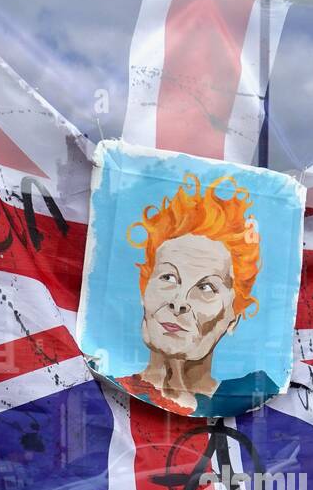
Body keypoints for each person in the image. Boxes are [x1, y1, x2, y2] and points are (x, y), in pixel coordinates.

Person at [116, 172, 279, 417]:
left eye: (206, 288)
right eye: (168, 278)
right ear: (144, 290)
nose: (178, 302)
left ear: (234, 318)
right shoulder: (101, 383)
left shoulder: (261, 397)